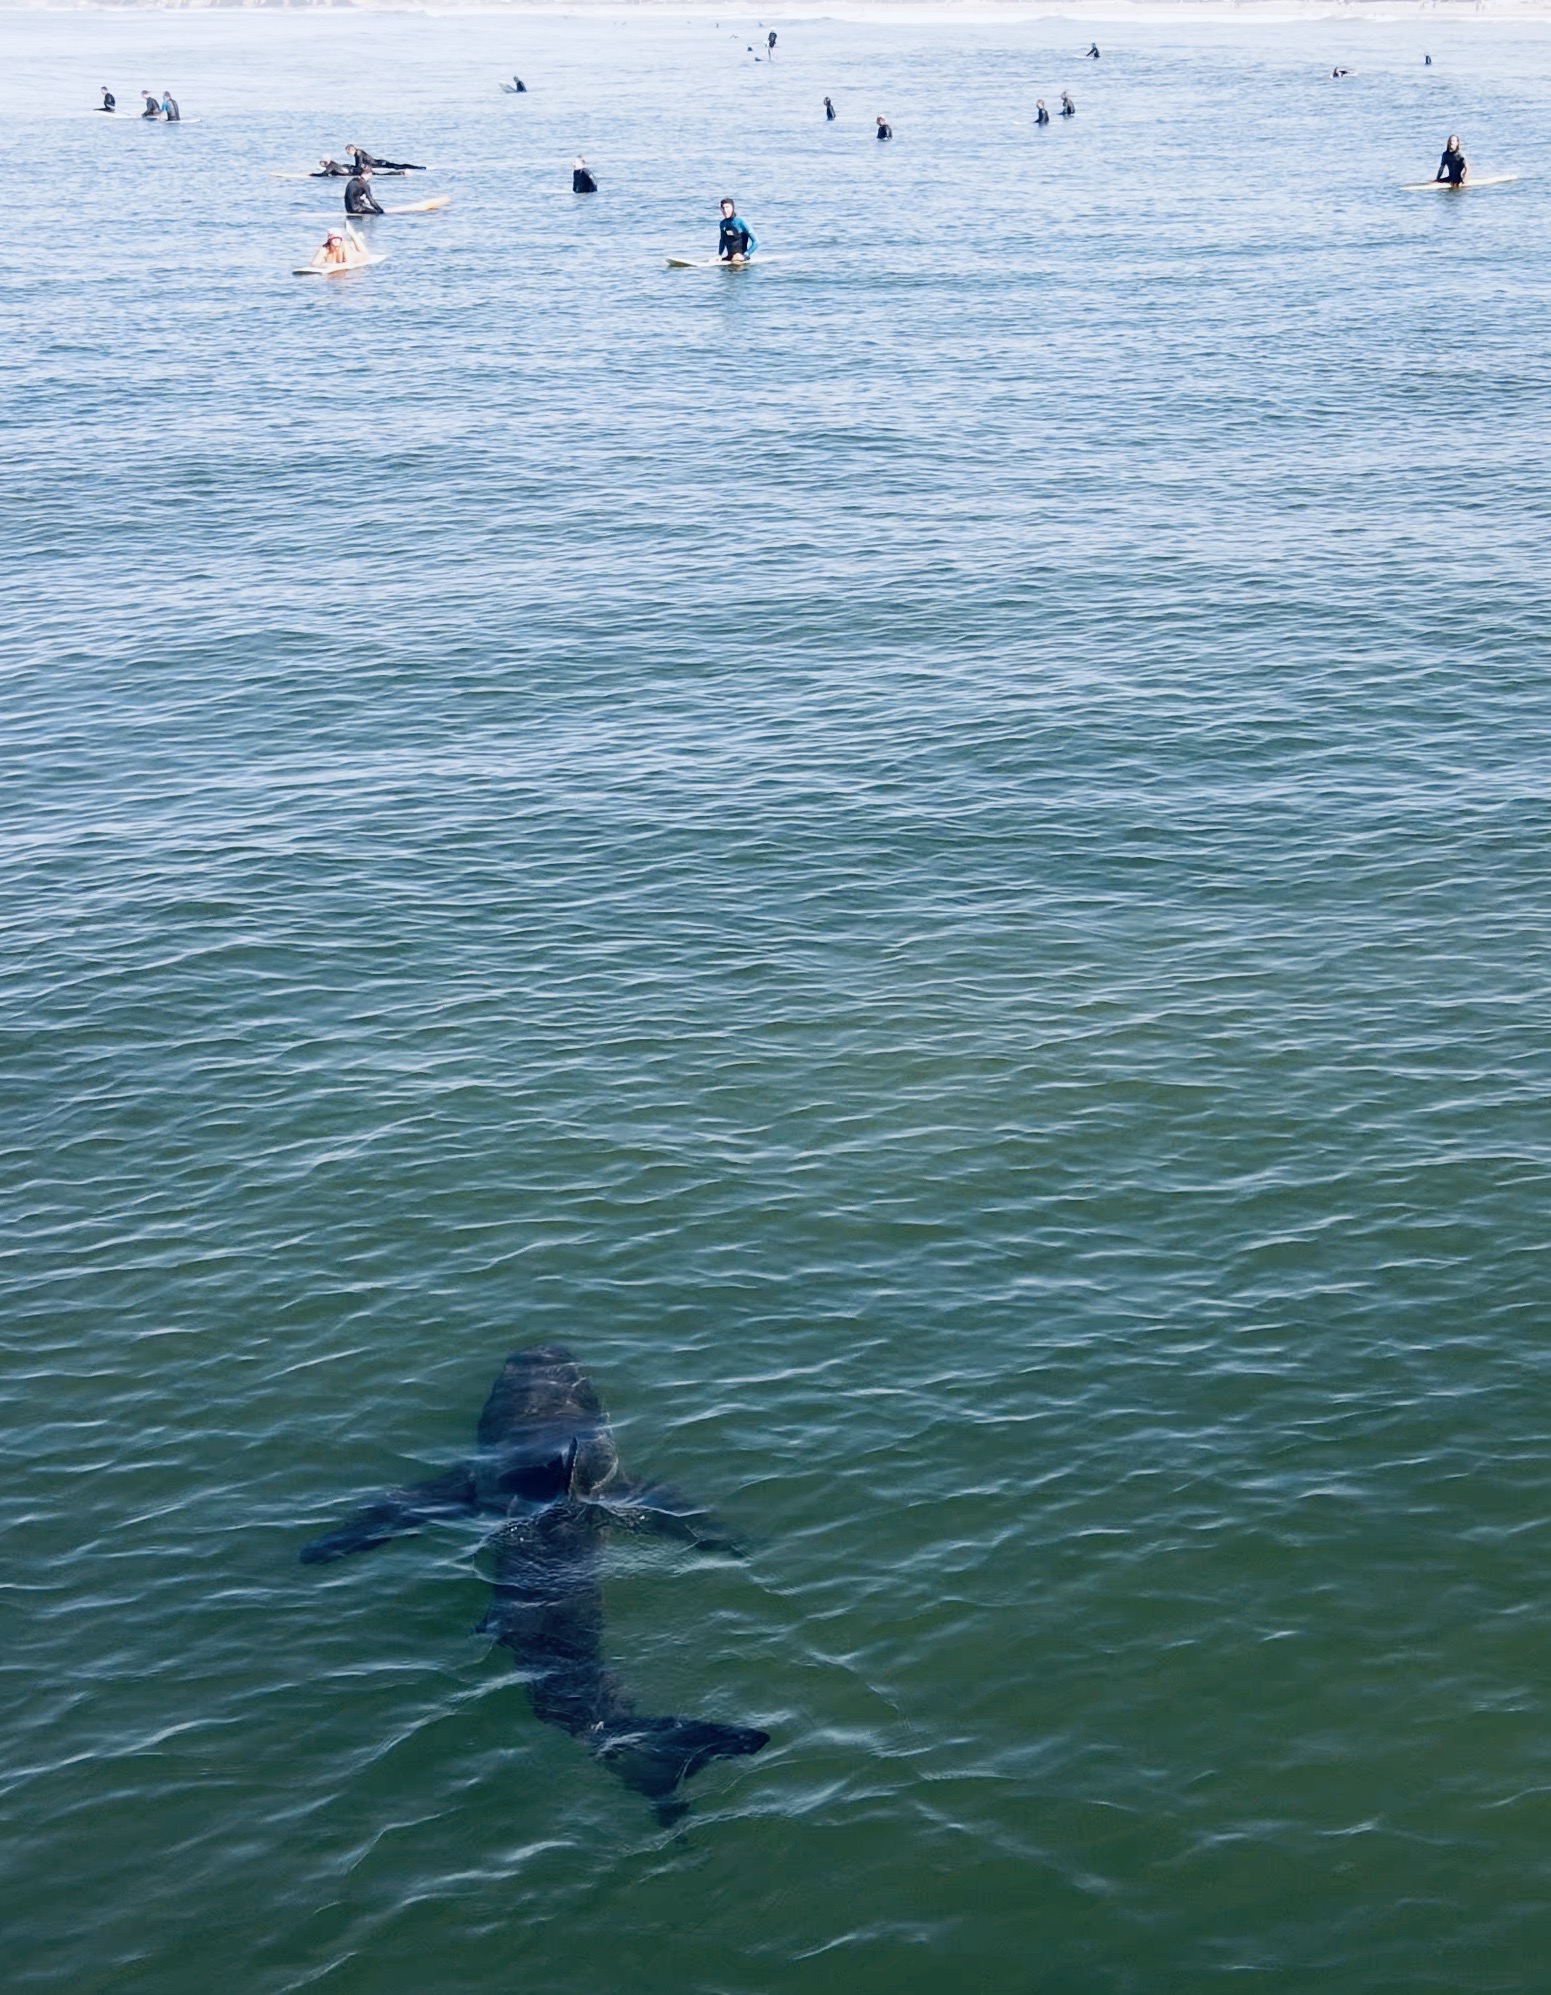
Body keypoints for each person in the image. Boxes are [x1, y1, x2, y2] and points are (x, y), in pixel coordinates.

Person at [717, 196, 757, 262]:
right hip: (730, 257)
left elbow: (756, 242)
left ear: (733, 208)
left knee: (736, 257)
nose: (725, 210)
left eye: (727, 207)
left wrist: (745, 255)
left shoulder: (741, 222)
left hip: (741, 257)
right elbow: (722, 241)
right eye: (723, 208)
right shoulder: (723, 223)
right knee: (713, 260)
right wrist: (719, 255)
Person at [347, 144, 425, 172]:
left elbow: (358, 166)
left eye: (348, 152)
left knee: (398, 167)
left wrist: (350, 168)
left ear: (351, 150)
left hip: (380, 164)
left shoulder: (358, 153)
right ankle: (417, 167)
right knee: (398, 166)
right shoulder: (358, 153)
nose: (348, 154)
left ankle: (418, 168)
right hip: (378, 163)